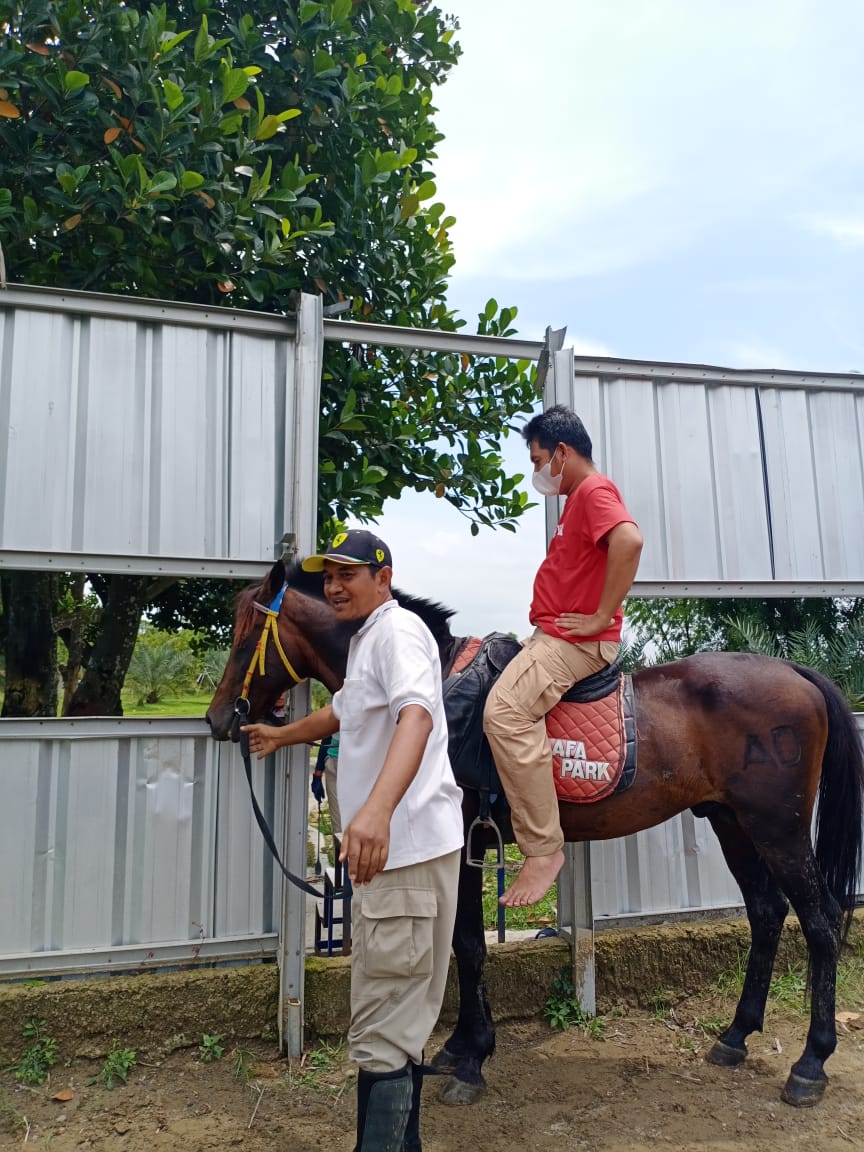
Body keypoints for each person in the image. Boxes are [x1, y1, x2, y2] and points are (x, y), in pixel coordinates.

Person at [241, 528, 463, 1152]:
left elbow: (416, 713)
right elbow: (344, 711)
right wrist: (282, 736)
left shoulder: (396, 634)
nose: (335, 587)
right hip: (395, 860)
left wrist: (377, 811)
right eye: (328, 576)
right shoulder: (368, 640)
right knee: (395, 1018)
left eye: (348, 574)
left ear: (383, 578)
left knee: (385, 1027)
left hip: (405, 855)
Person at [483, 405, 643, 908]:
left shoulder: (594, 491)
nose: (537, 471)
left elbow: (629, 541)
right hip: (553, 635)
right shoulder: (577, 498)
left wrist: (599, 618)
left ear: (562, 452)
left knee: (504, 713)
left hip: (574, 642)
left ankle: (543, 849)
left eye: (538, 459)